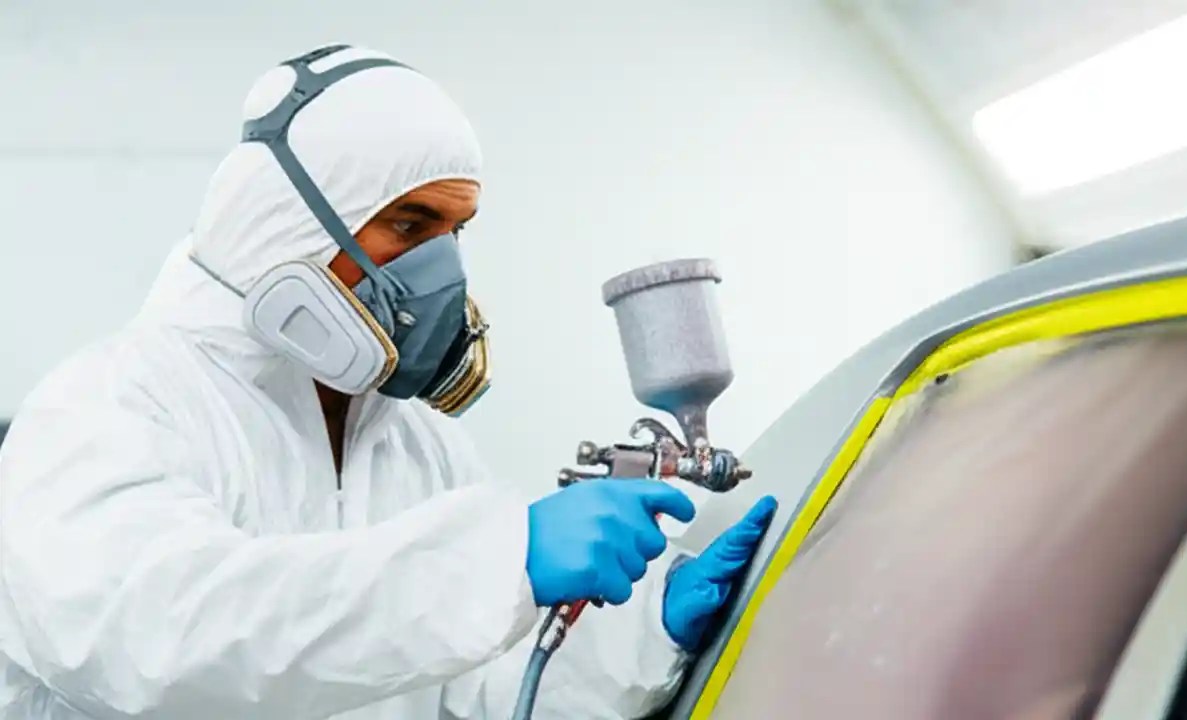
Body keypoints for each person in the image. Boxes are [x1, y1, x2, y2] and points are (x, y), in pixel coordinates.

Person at [0, 45, 776, 719]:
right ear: (289, 226)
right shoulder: (112, 404)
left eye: (454, 232)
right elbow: (152, 640)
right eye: (409, 226)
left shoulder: (419, 448)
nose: (440, 271)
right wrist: (502, 562)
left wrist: (647, 637)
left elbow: (481, 687)